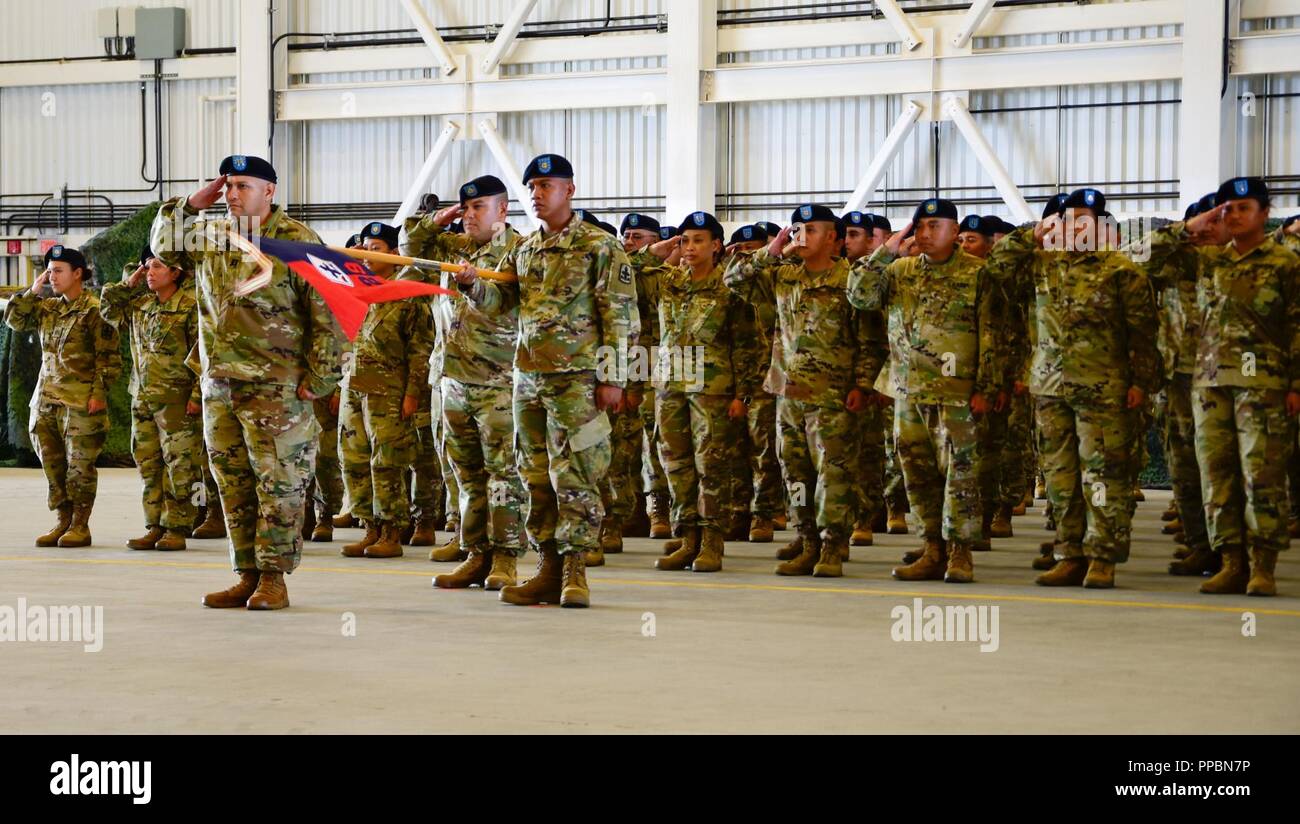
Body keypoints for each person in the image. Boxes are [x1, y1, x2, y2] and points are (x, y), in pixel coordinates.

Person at [151, 154, 344, 610]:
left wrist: (320, 379)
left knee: (280, 484)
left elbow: (327, 312)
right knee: (233, 484)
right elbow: (163, 245)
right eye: (229, 186)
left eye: (243, 186)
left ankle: (274, 578)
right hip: (221, 385)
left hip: (277, 389)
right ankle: (247, 573)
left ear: (270, 191)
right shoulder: (212, 236)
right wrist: (190, 205)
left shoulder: (298, 241)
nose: (233, 194)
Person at [453, 154, 639, 608]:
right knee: (534, 475)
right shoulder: (526, 249)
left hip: (578, 381)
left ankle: (576, 571)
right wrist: (474, 286)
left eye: (546, 185)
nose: (537, 194)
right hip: (529, 379)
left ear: (569, 190)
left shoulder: (599, 246)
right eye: (532, 187)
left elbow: (621, 316)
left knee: (576, 474)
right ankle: (547, 568)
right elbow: (505, 303)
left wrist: (614, 378)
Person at [983, 188, 1159, 588]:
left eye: (1084, 219)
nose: (1074, 226)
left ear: (1102, 226)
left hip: (1105, 389)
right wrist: (1032, 234)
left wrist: (1141, 384)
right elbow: (995, 266)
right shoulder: (1043, 266)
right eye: (1068, 219)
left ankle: (1102, 557)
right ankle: (1068, 552)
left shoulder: (1122, 271)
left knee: (1102, 477)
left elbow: (1143, 336)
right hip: (1050, 388)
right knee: (1060, 477)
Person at [1143, 177, 1300, 596]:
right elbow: (1139, 257)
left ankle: (1262, 566)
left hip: (1263, 385)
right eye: (1227, 208)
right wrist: (1191, 227)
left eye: (1243, 208)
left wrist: (1296, 385)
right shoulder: (1205, 260)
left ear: (1265, 214)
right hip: (1209, 385)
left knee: (1261, 475)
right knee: (1217, 475)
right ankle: (1231, 561)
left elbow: (1298, 326)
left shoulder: (1285, 264)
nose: (1233, 215)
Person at [723, 204, 882, 576]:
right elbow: (734, 280)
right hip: (787, 393)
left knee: (833, 473)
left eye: (812, 230)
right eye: (798, 229)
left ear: (835, 239)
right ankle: (807, 538)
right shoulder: (785, 277)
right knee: (794, 473)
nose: (803, 236)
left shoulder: (851, 279)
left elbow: (869, 339)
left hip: (833, 396)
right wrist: (771, 250)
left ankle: (831, 544)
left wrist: (862, 384)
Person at [849, 201, 998, 582]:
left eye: (935, 225)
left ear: (955, 229)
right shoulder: (900, 271)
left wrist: (987, 386)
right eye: (920, 226)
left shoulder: (979, 273)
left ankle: (960, 553)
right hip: (908, 391)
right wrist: (888, 249)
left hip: (956, 393)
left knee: (960, 476)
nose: (926, 233)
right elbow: (860, 294)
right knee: (917, 476)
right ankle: (933, 547)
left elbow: (995, 334)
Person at [404, 176, 528, 589]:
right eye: (466, 208)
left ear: (503, 210)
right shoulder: (453, 247)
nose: (470, 216)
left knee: (503, 474)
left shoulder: (519, 252)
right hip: (452, 379)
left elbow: (499, 305)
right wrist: (437, 221)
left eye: (479, 208)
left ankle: (506, 557)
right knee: (466, 474)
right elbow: (410, 249)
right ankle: (476, 552)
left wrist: (474, 283)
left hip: (498, 381)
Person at [651, 212, 760, 572]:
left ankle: (712, 540)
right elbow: (629, 269)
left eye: (698, 240)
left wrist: (741, 394)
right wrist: (660, 248)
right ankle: (688, 539)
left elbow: (747, 343)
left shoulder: (730, 287)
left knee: (710, 466)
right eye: (684, 240)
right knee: (676, 465)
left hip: (712, 389)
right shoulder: (669, 282)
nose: (690, 247)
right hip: (670, 389)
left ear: (717, 245)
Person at [4, 245, 121, 548]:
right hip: (46, 401)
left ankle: (80, 525)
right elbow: (15, 320)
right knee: (53, 467)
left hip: (80, 402)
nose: (52, 277)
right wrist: (33, 290)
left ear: (77, 273)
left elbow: (108, 358)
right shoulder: (48, 308)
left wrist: (98, 394)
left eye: (58, 271)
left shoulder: (95, 310)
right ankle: (62, 520)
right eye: (50, 271)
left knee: (80, 468)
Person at [335, 221, 435, 560]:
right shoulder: (359, 289)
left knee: (388, 462)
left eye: (374, 248)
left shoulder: (407, 294)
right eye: (363, 246)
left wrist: (412, 395)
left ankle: (392, 530)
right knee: (355, 459)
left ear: (394, 254)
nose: (365, 253)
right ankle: (370, 528)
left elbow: (421, 350)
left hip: (389, 392)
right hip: (356, 388)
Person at [100, 245, 202, 551]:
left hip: (177, 399)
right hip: (142, 396)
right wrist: (128, 283)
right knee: (148, 464)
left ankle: (178, 527)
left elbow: (203, 353)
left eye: (158, 266)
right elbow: (108, 309)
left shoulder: (190, 305)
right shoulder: (140, 303)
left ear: (176, 272)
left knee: (180, 465)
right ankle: (154, 525)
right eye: (147, 266)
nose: (150, 273)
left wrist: (197, 395)